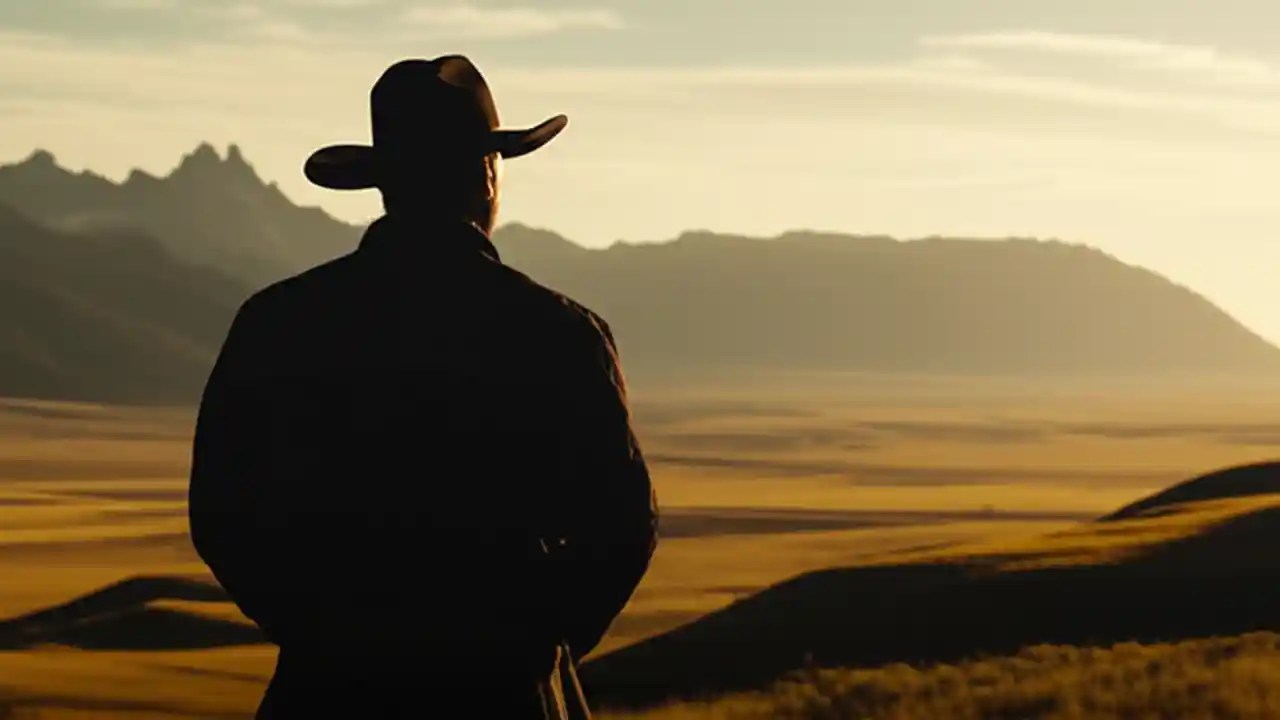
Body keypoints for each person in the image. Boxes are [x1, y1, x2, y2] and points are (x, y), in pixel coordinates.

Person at [187, 55, 659, 719]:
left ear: (384, 186)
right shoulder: (556, 332)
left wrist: (325, 637)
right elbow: (623, 526)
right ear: (486, 175)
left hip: (328, 695)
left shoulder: (280, 322)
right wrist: (532, 647)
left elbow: (222, 512)